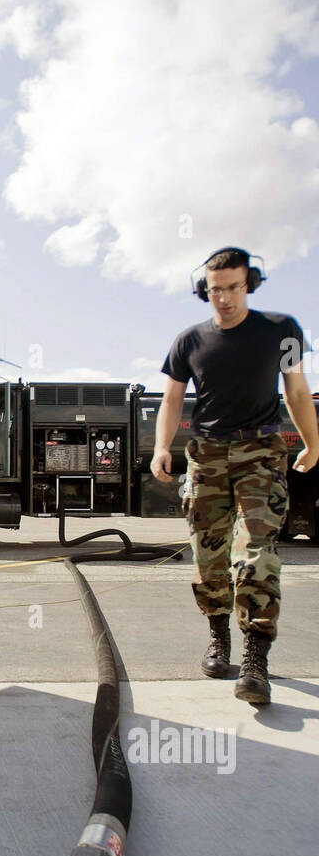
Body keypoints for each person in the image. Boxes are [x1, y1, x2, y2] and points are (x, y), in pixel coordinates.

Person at [151, 247, 319, 705]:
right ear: (203, 288)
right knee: (208, 560)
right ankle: (218, 638)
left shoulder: (282, 330)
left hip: (261, 453)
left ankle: (255, 657)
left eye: (232, 287)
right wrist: (162, 447)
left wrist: (313, 442)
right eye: (214, 289)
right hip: (206, 456)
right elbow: (171, 400)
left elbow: (297, 390)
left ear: (251, 284)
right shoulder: (188, 341)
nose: (223, 298)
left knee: (256, 554)